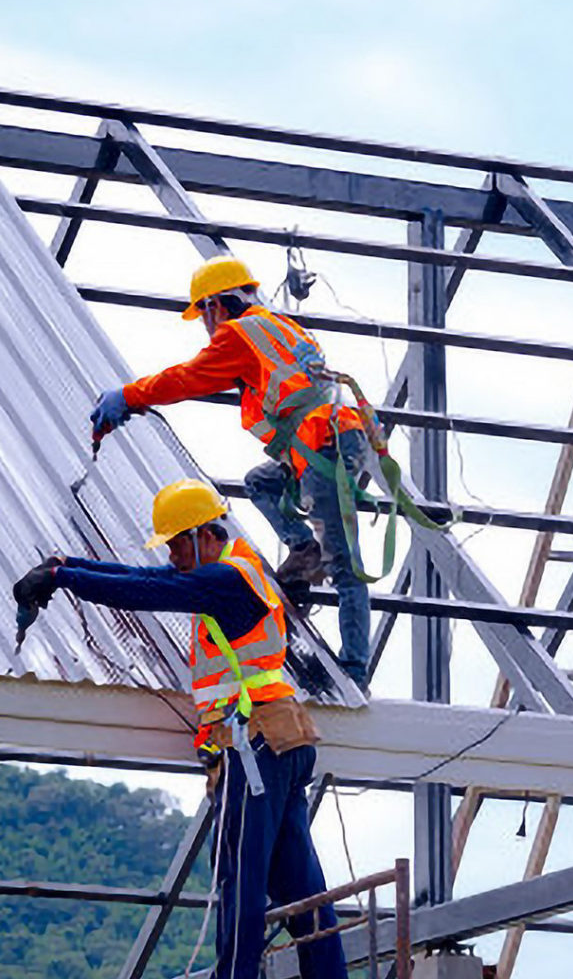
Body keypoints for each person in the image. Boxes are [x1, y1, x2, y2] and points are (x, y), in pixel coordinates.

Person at [12, 478, 350, 979]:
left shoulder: (223, 579)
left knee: (240, 869)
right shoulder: (237, 571)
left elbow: (147, 591)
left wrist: (62, 578)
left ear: (201, 534)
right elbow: (147, 578)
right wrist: (65, 567)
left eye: (175, 542)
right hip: (285, 735)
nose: (171, 554)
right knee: (297, 878)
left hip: (254, 742)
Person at [90, 256, 373, 688]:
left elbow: (189, 377)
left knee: (347, 565)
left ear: (216, 306)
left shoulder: (239, 335)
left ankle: (355, 669)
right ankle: (303, 550)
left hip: (324, 449)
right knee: (260, 483)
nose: (205, 325)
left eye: (203, 313)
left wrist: (129, 396)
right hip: (327, 444)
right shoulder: (280, 327)